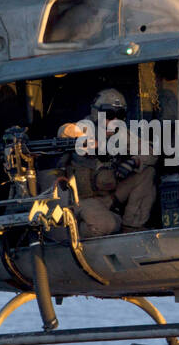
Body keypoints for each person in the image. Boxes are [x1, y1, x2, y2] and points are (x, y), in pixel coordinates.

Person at [56, 89, 157, 237]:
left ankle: (131, 226)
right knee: (107, 226)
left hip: (109, 196)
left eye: (120, 115)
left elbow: (151, 152)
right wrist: (85, 138)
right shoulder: (86, 127)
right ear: (97, 113)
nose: (114, 120)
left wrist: (134, 161)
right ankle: (69, 233)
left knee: (147, 172)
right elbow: (64, 131)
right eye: (109, 115)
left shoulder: (120, 134)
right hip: (84, 199)